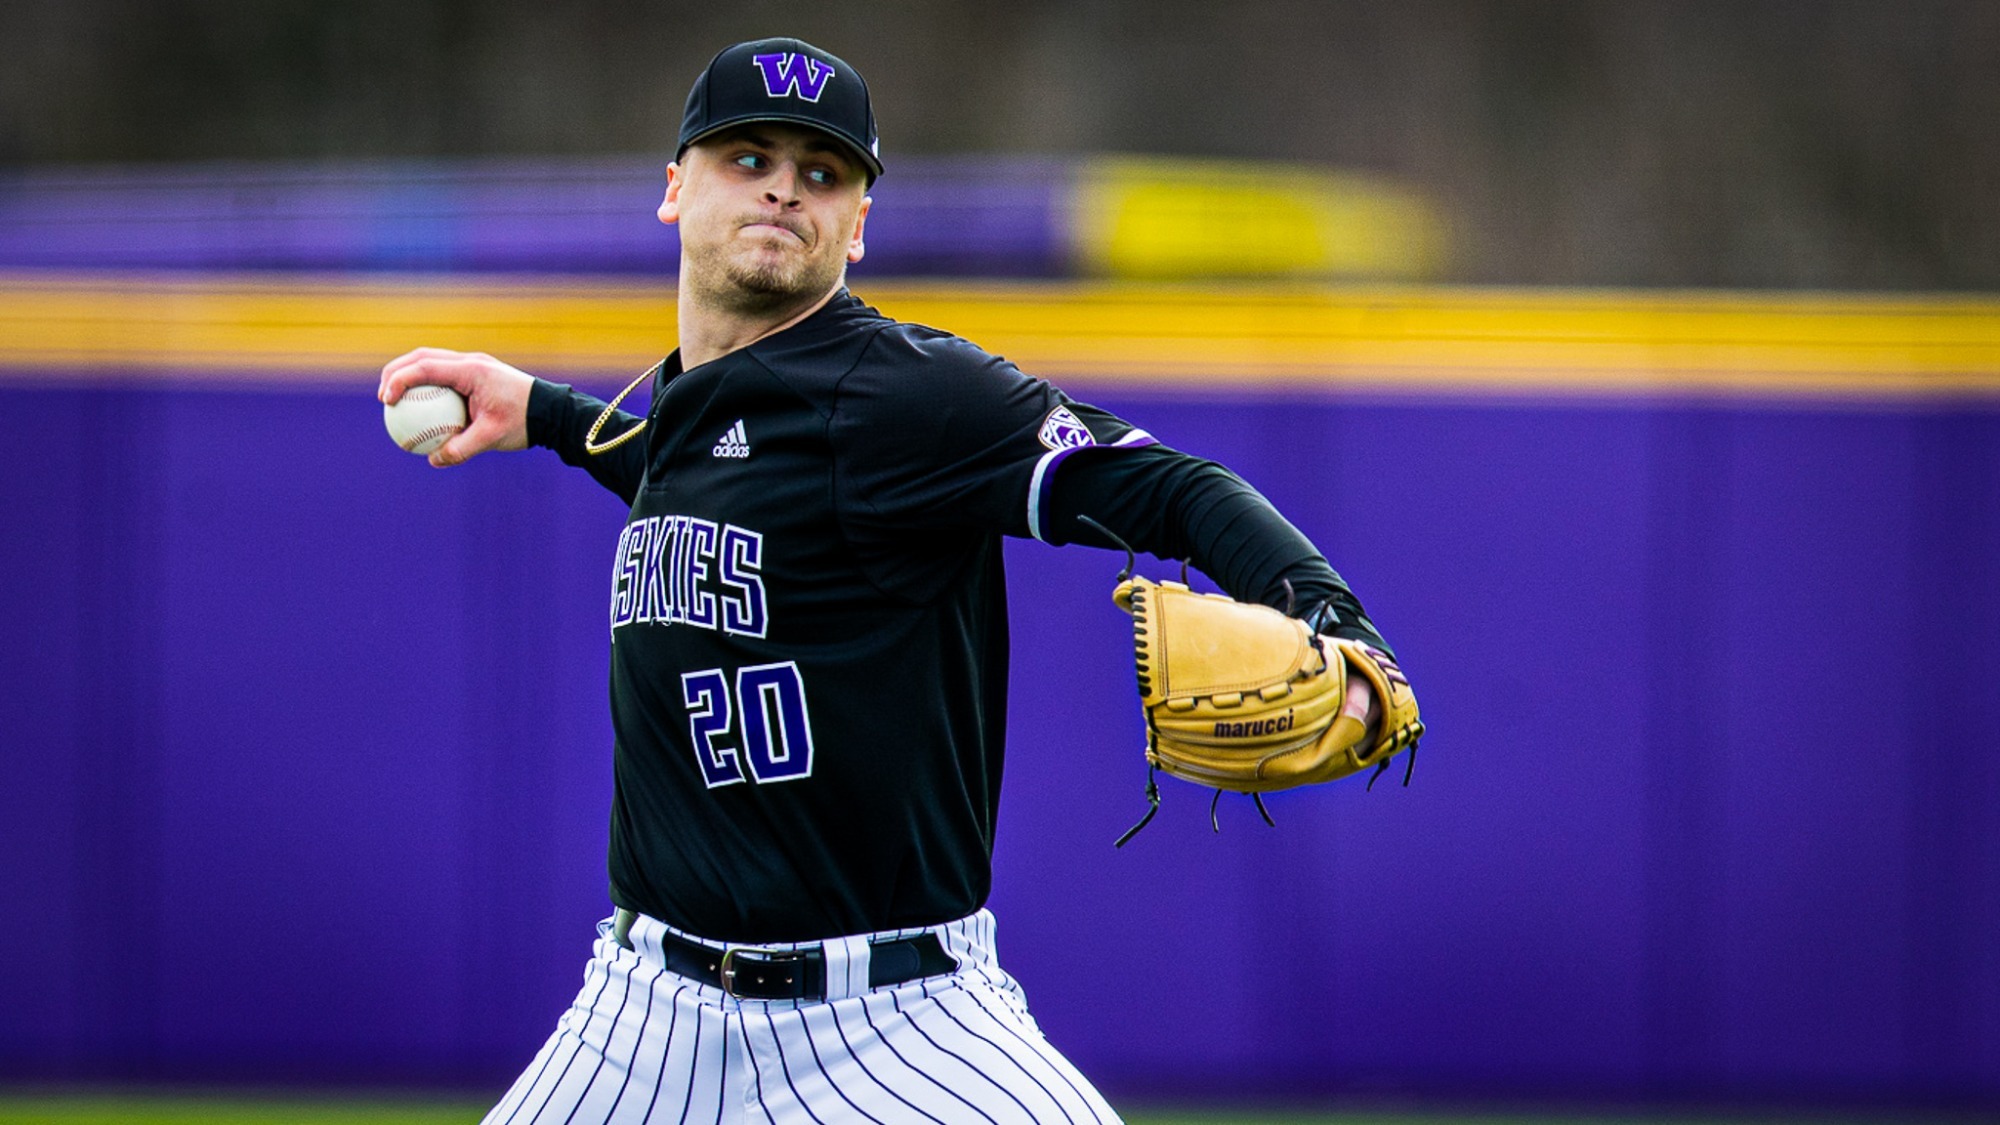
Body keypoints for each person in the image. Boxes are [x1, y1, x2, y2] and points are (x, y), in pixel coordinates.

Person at [379, 37, 1395, 1125]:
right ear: (676, 189)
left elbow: (1171, 489)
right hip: (640, 1013)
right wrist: (544, 414)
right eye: (746, 156)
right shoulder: (686, 408)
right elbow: (708, 482)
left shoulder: (910, 396)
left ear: (857, 225)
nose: (782, 186)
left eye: (822, 172)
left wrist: (1336, 628)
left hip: (891, 1028)